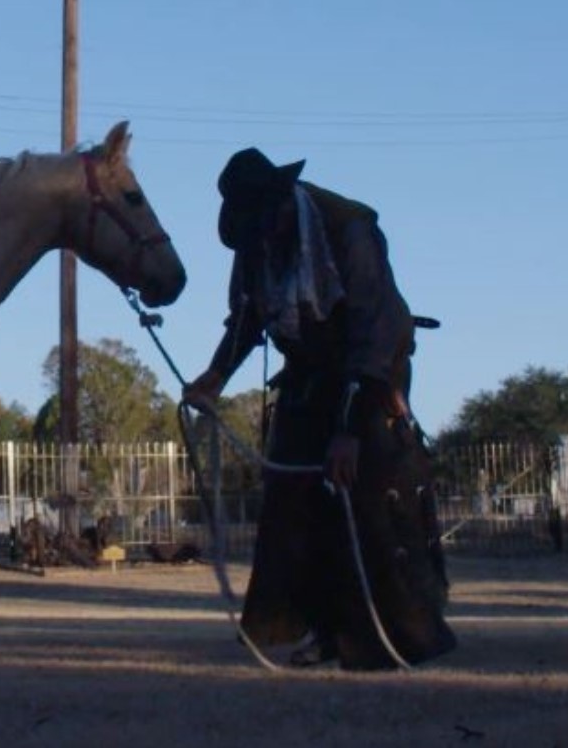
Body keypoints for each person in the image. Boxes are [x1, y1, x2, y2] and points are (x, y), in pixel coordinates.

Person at [183, 147, 456, 670]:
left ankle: (396, 634)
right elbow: (246, 316)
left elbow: (373, 329)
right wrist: (214, 379)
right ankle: (309, 627)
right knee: (291, 495)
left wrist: (351, 430)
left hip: (371, 371)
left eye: (265, 224)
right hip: (308, 372)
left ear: (285, 204)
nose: (261, 237)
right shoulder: (256, 242)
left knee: (366, 488)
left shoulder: (348, 231)